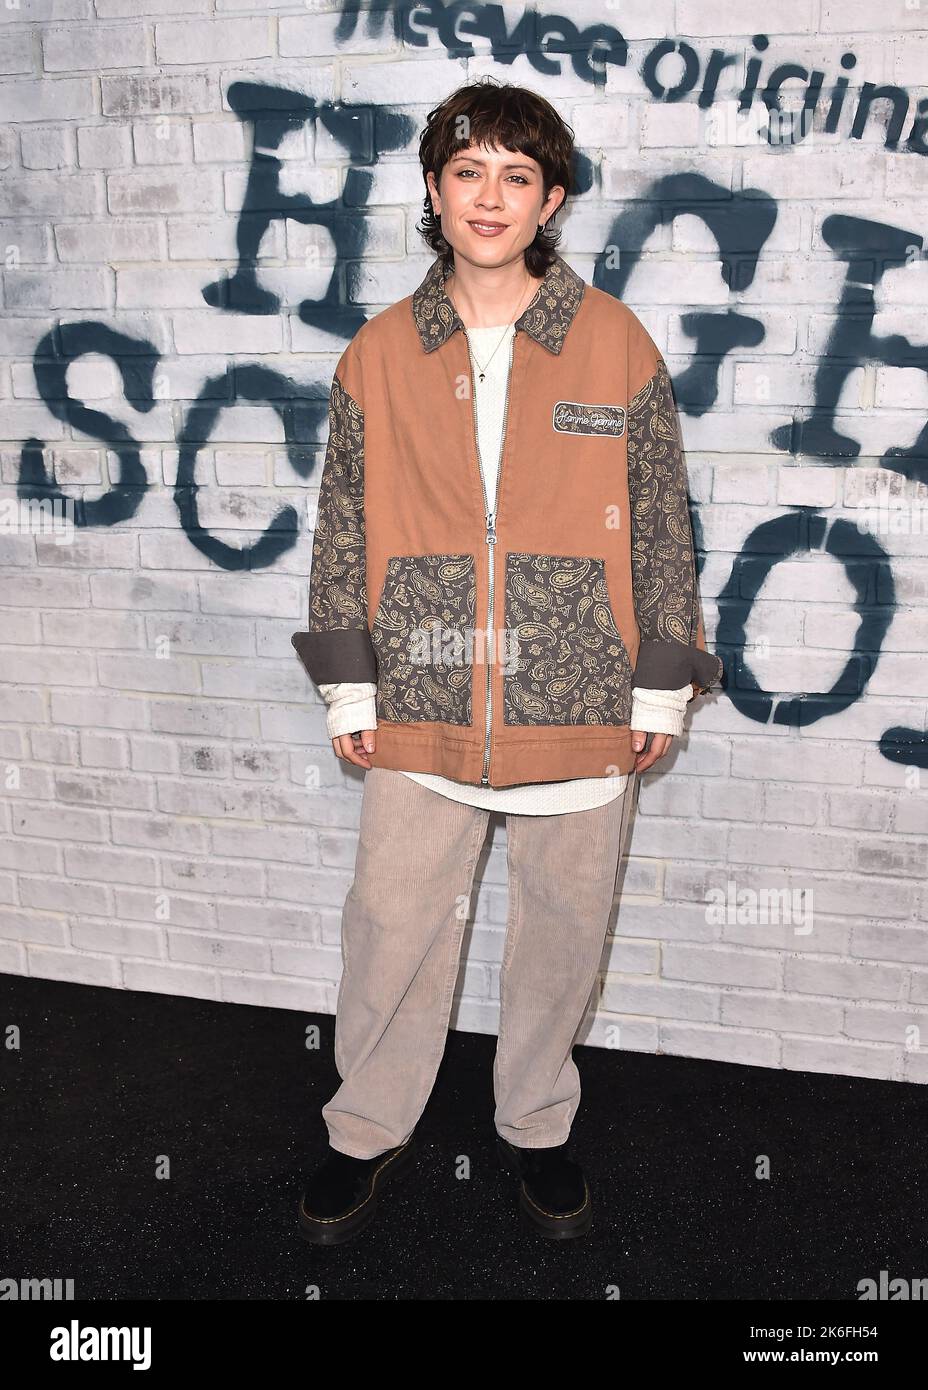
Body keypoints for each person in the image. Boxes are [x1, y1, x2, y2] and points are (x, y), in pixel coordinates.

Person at [291, 78, 723, 1244]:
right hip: (424, 697)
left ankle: (536, 1121)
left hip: (581, 700)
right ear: (435, 189)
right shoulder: (378, 353)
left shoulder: (613, 341)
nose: (490, 196)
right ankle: (361, 1128)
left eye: (516, 176)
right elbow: (340, 526)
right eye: (467, 170)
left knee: (562, 934)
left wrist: (661, 686)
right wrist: (350, 682)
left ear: (552, 198)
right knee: (390, 928)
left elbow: (659, 524)